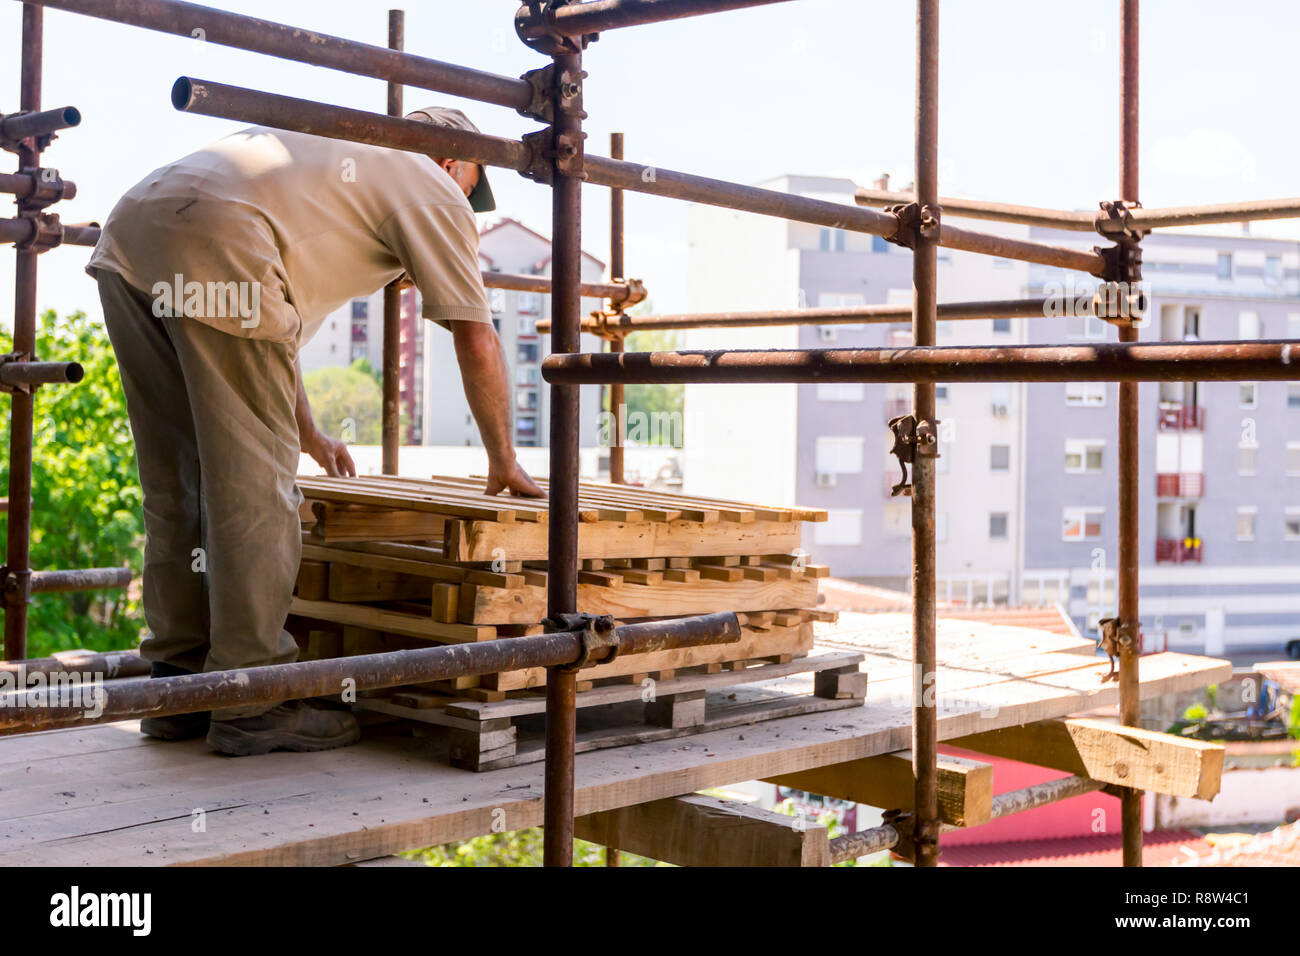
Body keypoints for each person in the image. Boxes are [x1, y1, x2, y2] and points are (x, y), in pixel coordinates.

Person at [87, 106, 543, 755]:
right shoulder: (432, 182)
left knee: (175, 478)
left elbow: (271, 331)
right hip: (223, 243)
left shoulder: (337, 159)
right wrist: (503, 457)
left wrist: (309, 433)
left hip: (133, 234)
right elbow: (476, 332)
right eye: (474, 182)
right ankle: (254, 700)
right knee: (256, 491)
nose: (469, 199)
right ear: (453, 162)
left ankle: (176, 687)